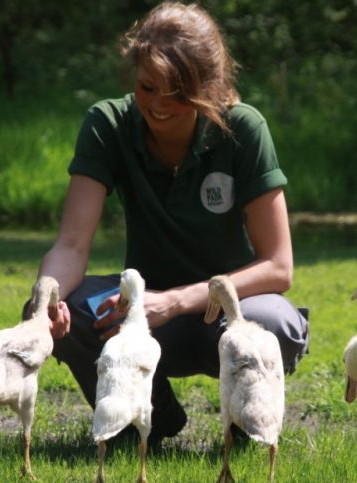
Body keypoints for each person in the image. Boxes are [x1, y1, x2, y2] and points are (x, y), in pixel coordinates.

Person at [31, 2, 309, 442]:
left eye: (177, 92)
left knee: (274, 321)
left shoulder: (244, 128)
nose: (158, 105)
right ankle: (143, 424)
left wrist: (175, 302)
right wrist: (44, 304)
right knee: (78, 306)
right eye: (147, 86)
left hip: (222, 317)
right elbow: (71, 246)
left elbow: (278, 267)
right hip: (138, 317)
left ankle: (247, 422)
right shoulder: (108, 124)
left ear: (209, 87)